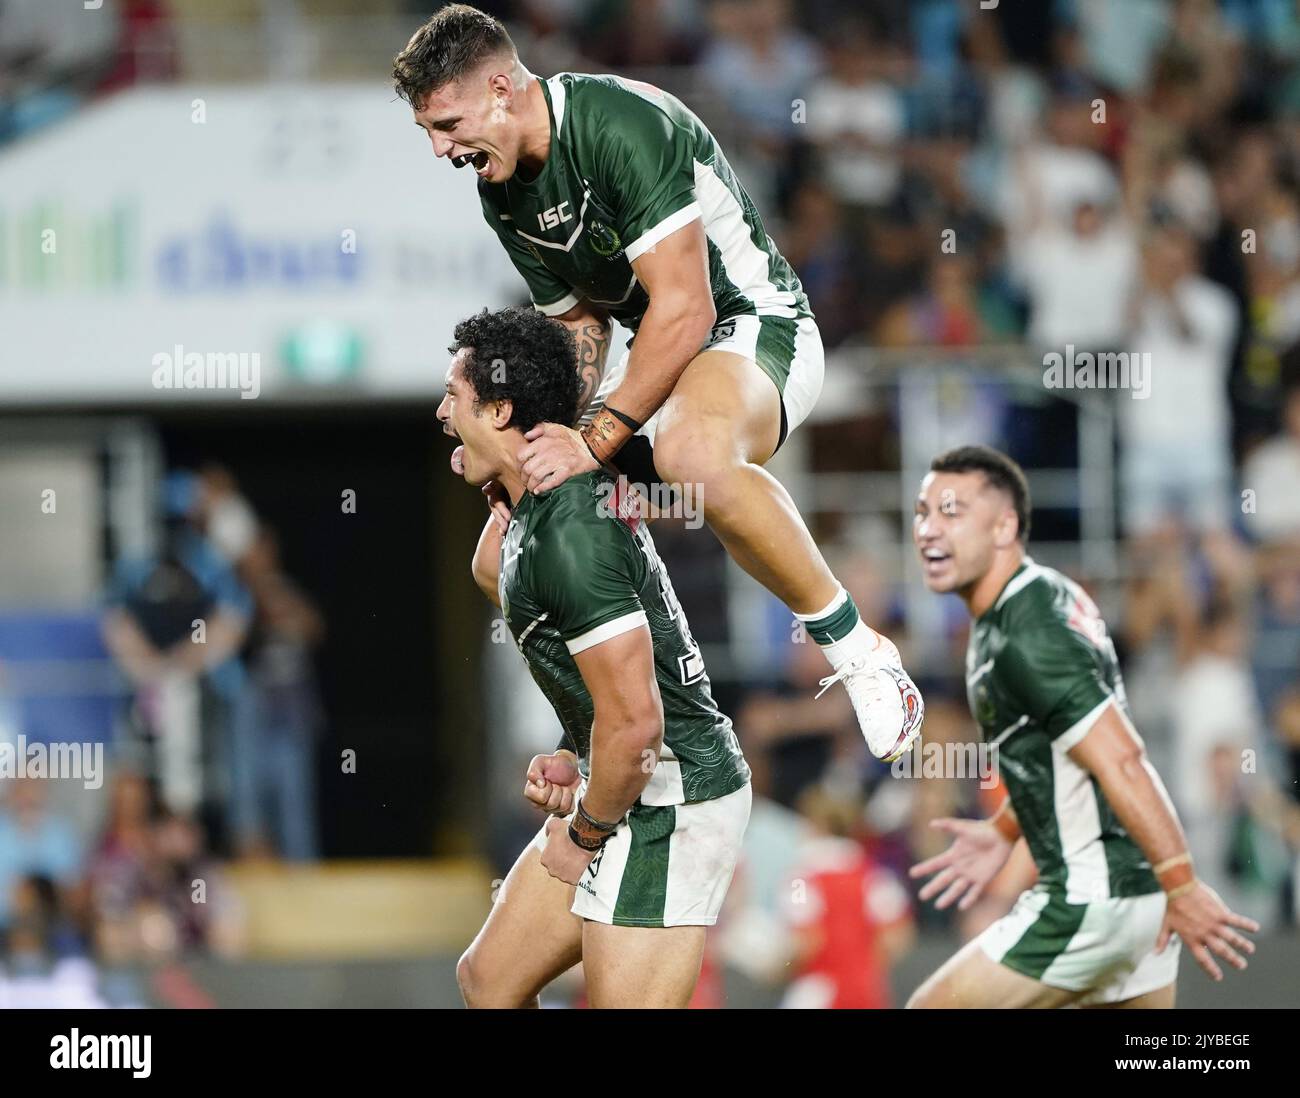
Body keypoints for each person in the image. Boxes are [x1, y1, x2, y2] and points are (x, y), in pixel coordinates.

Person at [392, 4, 924, 763]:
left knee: (690, 458)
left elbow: (686, 308)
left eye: (446, 125)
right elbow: (580, 329)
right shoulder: (500, 187)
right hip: (649, 349)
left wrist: (596, 438)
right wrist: (538, 447)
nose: (441, 149)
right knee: (499, 549)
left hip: (747, 323)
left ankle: (858, 650)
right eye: (429, 133)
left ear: (502, 90)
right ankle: (607, 734)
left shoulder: (620, 122)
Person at [438, 306, 751, 1009]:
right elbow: (605, 689)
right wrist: (575, 747)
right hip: (622, 775)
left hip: (673, 792)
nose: (440, 413)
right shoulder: (529, 512)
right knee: (488, 983)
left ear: (499, 409)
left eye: (452, 399)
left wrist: (582, 835)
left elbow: (639, 727)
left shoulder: (570, 534)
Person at [907, 445, 1259, 1007]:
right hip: (1133, 897)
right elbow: (1062, 757)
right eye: (922, 512)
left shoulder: (1028, 631)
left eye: (951, 511)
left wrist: (1184, 885)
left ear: (1004, 527)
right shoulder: (1031, 601)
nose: (927, 529)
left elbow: (1121, 758)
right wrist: (1003, 829)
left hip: (1094, 898)